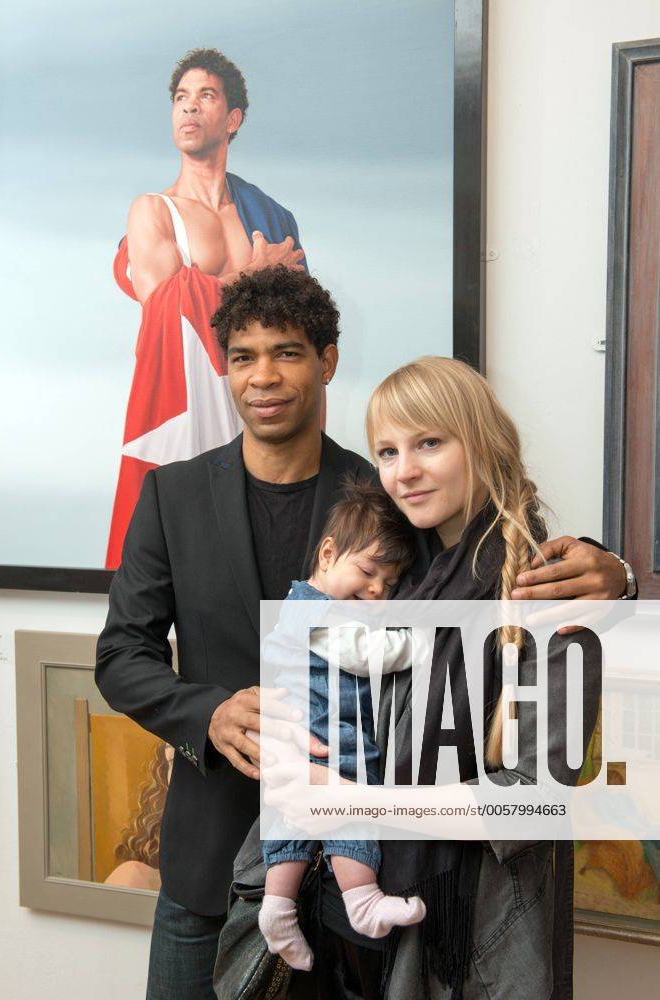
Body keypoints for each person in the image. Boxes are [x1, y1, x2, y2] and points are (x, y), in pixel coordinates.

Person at [95, 266, 631, 1000]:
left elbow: (537, 780)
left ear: (325, 363)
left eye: (285, 352)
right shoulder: (183, 496)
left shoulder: (396, 514)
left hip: (399, 898)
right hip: (236, 856)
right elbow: (122, 655)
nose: (404, 471)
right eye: (243, 357)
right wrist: (214, 713)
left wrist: (621, 578)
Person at [262, 354, 606, 998]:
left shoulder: (555, 599)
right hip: (353, 933)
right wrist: (282, 734)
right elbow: (324, 690)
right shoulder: (396, 586)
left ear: (484, 444)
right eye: (387, 452)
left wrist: (348, 796)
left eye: (428, 442)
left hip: (470, 942)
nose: (404, 471)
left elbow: (527, 803)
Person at [105, 47, 307, 569]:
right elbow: (166, 303)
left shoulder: (270, 217)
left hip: (257, 400)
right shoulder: (153, 210)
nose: (189, 108)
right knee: (182, 558)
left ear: (232, 119)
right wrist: (257, 275)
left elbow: (299, 322)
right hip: (185, 400)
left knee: (265, 557)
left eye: (206, 97)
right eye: (181, 98)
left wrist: (253, 282)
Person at [257, 481, 426, 972]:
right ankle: (364, 899)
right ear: (328, 554)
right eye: (369, 572)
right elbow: (362, 655)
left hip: (298, 738)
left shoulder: (304, 605)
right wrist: (421, 645)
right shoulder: (316, 610)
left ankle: (278, 907)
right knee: (350, 807)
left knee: (290, 824)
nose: (376, 590)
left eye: (388, 586)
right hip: (328, 738)